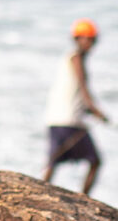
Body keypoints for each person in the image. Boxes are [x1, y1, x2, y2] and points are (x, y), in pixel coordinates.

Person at [39, 19, 109, 196]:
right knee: (94, 161)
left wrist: (89, 110)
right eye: (86, 39)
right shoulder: (76, 58)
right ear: (77, 39)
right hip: (68, 120)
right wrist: (96, 110)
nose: (89, 43)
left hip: (61, 118)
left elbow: (76, 93)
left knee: (53, 162)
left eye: (92, 39)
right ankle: (83, 199)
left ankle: (41, 194)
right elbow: (84, 89)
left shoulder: (72, 59)